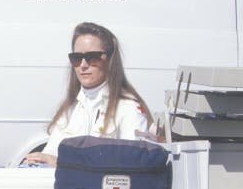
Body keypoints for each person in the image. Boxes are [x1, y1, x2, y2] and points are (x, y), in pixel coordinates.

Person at [24, 22, 153, 167]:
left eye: (92, 57)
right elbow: (51, 154)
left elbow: (132, 164)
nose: (83, 65)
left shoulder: (128, 107)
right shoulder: (70, 108)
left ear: (110, 59)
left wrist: (63, 163)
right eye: (77, 58)